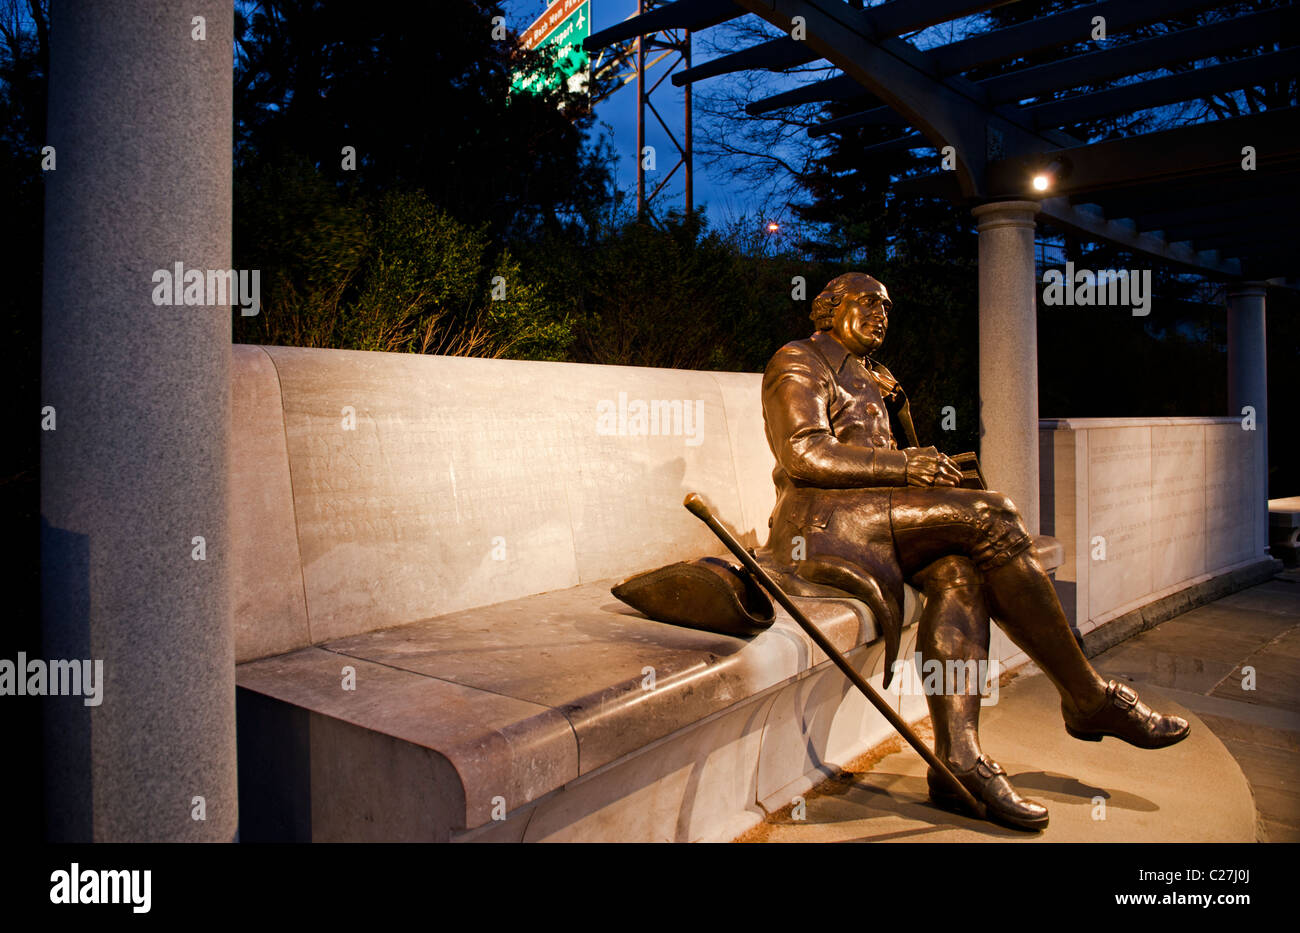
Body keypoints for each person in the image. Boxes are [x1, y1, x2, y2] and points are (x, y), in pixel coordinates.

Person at [754, 272, 1189, 831]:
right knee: (993, 514)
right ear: (829, 308)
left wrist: (922, 459)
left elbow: (891, 459)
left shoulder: (875, 377)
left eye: (887, 307)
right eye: (867, 303)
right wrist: (907, 466)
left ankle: (957, 761)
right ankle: (1088, 696)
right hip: (821, 525)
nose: (881, 314)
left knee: (959, 571)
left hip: (872, 518)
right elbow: (804, 454)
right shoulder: (799, 360)